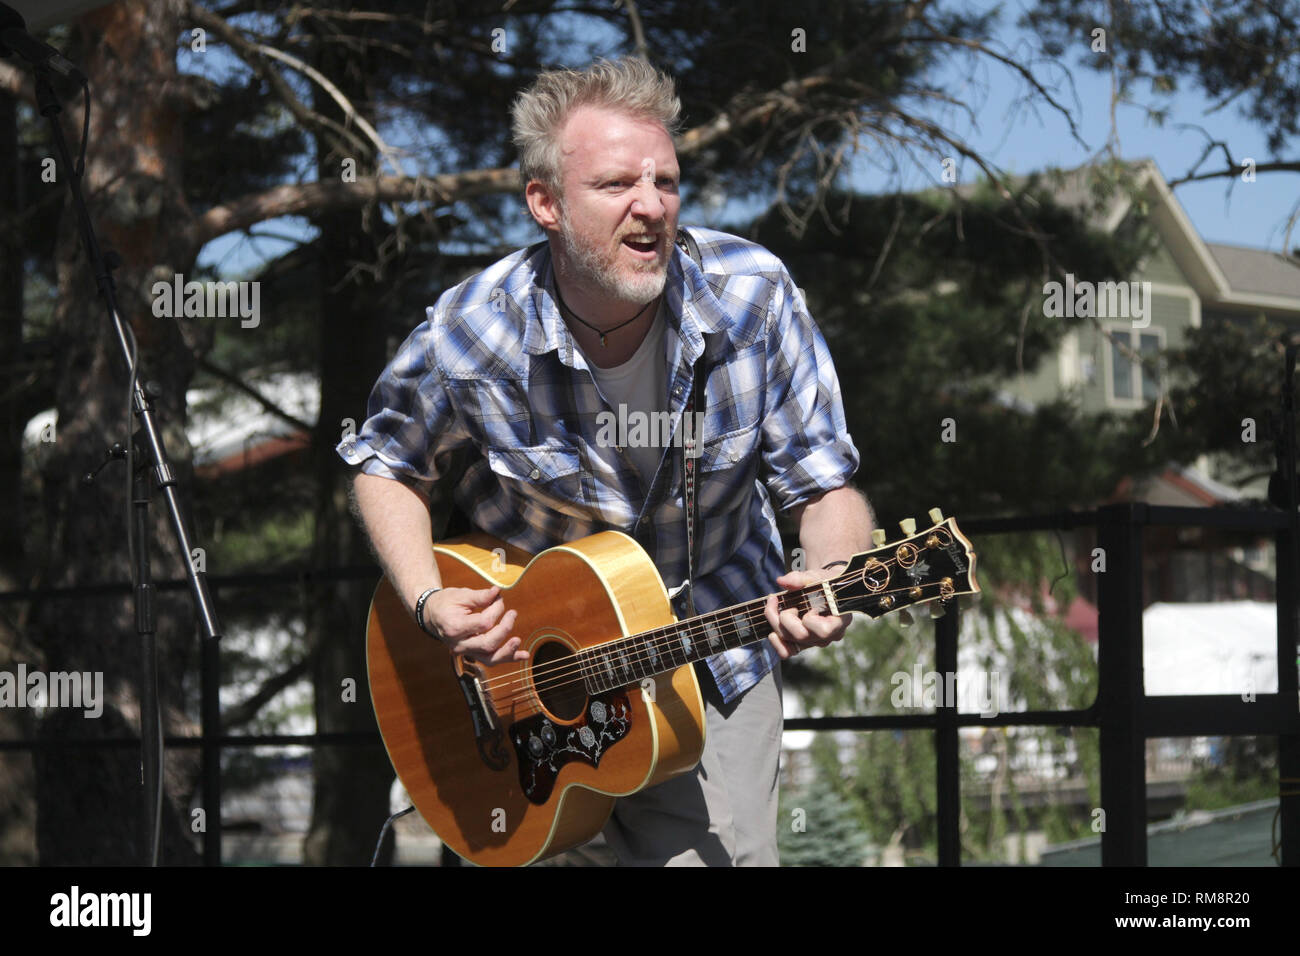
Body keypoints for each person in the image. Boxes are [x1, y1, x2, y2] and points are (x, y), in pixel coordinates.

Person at [338, 57, 874, 866]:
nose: (651, 206)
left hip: (712, 663)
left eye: (667, 180)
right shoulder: (472, 332)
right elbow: (385, 465)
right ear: (545, 203)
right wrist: (427, 604)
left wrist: (831, 572)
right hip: (514, 699)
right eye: (619, 183)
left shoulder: (754, 298)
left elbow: (825, 486)